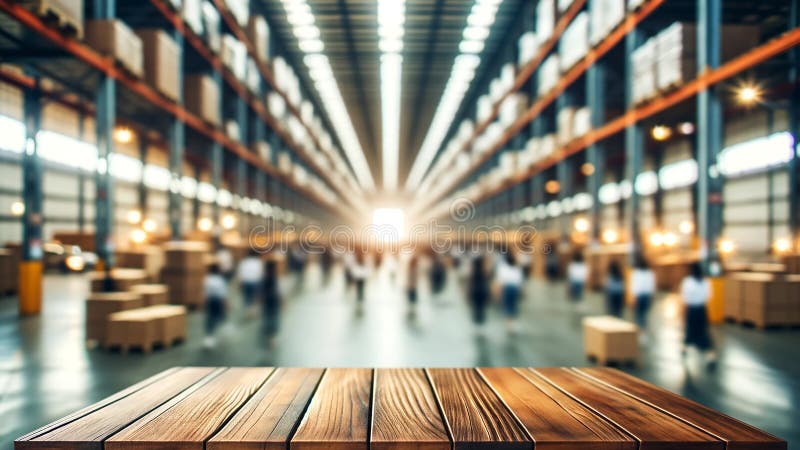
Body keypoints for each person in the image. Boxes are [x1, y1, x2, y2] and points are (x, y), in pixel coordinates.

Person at [680, 263, 716, 367]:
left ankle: (684, 349)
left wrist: (682, 314)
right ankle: (711, 357)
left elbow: (685, 298)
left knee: (689, 331)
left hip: (691, 310)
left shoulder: (687, 282)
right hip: (702, 310)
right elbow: (709, 296)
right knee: (703, 333)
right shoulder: (706, 282)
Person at [497, 252, 524, 333]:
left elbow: (501, 281)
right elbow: (519, 281)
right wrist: (521, 291)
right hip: (514, 289)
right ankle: (512, 324)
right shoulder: (517, 269)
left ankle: (509, 324)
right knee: (513, 306)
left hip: (507, 289)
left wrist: (499, 292)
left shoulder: (503, 268)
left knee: (508, 306)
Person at [203, 263, 228, 349]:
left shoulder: (207, 279)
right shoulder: (220, 280)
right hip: (218, 301)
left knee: (210, 318)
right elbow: (223, 293)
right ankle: (222, 331)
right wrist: (226, 303)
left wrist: (205, 302)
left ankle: (209, 337)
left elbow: (205, 293)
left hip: (210, 300)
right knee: (220, 316)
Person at [631, 255, 656, 330]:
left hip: (639, 296)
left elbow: (635, 286)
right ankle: (643, 329)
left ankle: (639, 329)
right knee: (644, 314)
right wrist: (652, 296)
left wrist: (634, 297)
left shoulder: (636, 273)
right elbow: (652, 286)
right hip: (647, 296)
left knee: (638, 314)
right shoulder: (650, 273)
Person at [237, 249, 263, 316]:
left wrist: (240, 283)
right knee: (255, 298)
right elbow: (261, 274)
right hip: (256, 282)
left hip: (246, 282)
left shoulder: (244, 262)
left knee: (247, 297)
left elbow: (240, 274)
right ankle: (253, 312)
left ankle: (247, 311)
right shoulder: (258, 262)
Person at [469, 256, 490, 336]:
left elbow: (470, 284)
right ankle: (481, 327)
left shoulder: (473, 272)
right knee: (481, 309)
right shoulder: (484, 271)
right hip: (482, 292)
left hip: (475, 292)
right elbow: (486, 282)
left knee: (476, 309)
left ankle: (477, 327)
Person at [261, 258, 281, 344]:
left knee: (268, 318)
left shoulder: (265, 278)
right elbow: (277, 291)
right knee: (273, 319)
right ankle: (272, 337)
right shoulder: (272, 278)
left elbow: (261, 291)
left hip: (267, 302)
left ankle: (270, 335)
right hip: (272, 301)